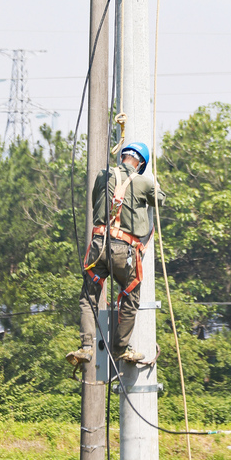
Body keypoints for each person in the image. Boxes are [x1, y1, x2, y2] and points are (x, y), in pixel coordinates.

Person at [66, 141, 165, 373]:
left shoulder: (102, 176)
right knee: (130, 296)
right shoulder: (143, 182)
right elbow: (160, 200)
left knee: (89, 297)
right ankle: (121, 348)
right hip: (125, 251)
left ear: (122, 157)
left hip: (98, 247)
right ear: (140, 163)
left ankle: (86, 347)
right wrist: (156, 186)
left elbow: (95, 204)